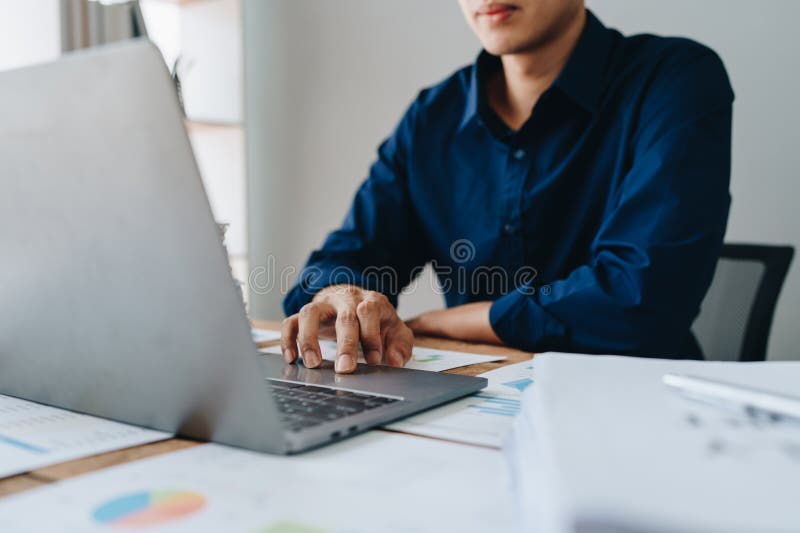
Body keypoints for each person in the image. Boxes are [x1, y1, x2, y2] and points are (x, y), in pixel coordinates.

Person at [280, 0, 734, 373]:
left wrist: (452, 320)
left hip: (636, 404)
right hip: (474, 402)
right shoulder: (432, 118)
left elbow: (642, 297)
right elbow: (349, 257)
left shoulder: (676, 79)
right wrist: (341, 298)